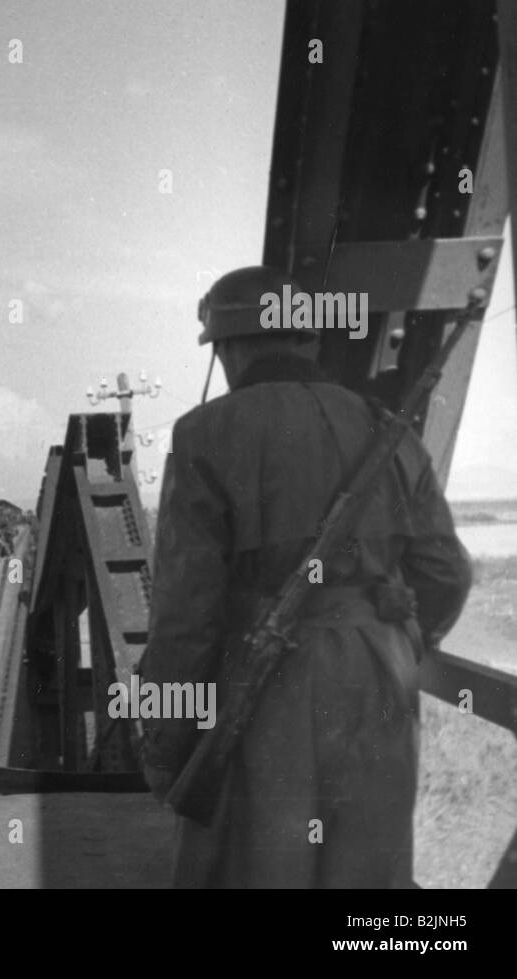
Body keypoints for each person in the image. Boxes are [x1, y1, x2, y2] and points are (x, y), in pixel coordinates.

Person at [140, 265, 471, 888]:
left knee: (256, 867)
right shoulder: (388, 428)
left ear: (230, 349)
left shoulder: (205, 434)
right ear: (311, 340)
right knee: (369, 880)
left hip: (261, 682)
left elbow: (184, 617)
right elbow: (447, 575)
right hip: (380, 679)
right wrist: (394, 635)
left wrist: (169, 743)